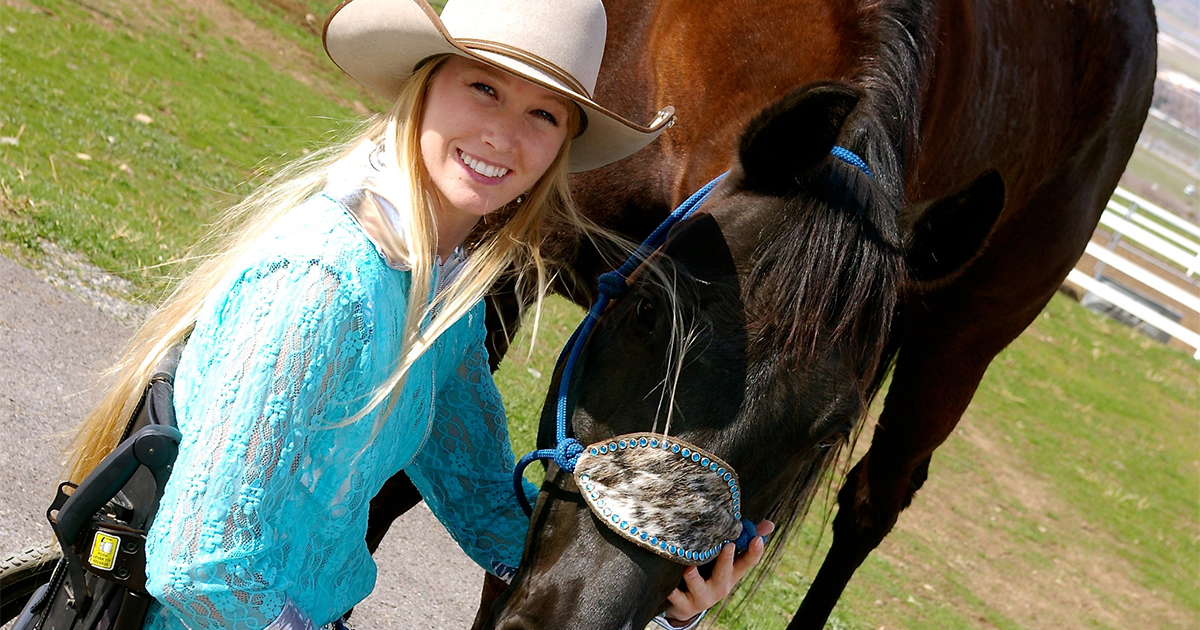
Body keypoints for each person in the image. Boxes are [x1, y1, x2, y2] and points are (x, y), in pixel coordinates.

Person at [61, 0, 773, 628]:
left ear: (562, 144)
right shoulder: (323, 283)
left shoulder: (443, 296)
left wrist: (664, 589)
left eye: (543, 113)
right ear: (424, 85)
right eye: (485, 88)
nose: (503, 134)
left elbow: (488, 509)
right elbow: (197, 564)